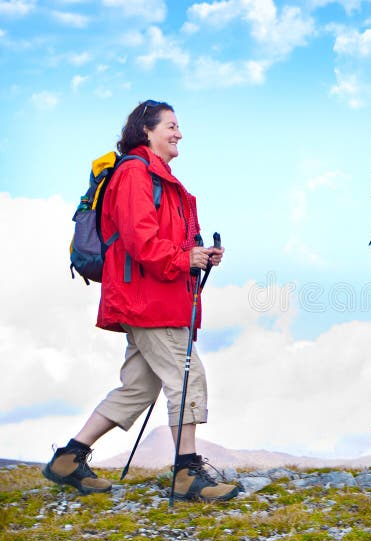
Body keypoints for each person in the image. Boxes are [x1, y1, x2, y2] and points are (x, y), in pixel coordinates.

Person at [43, 100, 239, 502]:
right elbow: (138, 238)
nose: (178, 132)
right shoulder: (135, 173)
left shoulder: (158, 178)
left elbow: (158, 239)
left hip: (151, 295)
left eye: (178, 125)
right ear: (146, 131)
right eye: (170, 125)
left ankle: (68, 458)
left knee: (138, 388)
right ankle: (187, 473)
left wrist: (197, 254)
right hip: (149, 299)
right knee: (188, 376)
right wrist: (184, 258)